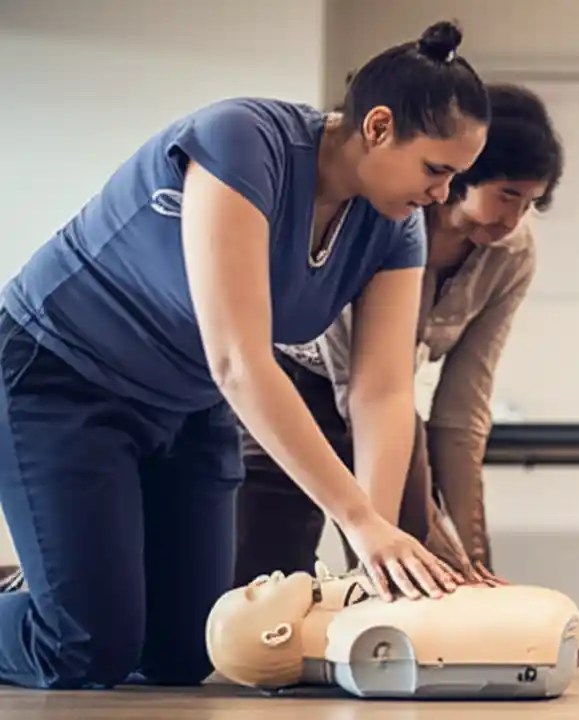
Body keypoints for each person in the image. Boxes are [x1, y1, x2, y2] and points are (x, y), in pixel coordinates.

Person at [0, 22, 489, 690]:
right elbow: (237, 358)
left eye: (456, 177)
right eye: (437, 170)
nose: (443, 195)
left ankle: (60, 580)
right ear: (378, 127)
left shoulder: (394, 226)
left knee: (185, 651)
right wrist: (357, 518)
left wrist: (365, 555)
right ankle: (54, 595)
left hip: (185, 405)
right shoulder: (244, 142)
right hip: (59, 377)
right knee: (83, 649)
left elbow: (381, 391)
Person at [233, 83, 563, 587]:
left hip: (387, 397)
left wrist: (469, 550)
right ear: (461, 176)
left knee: (439, 574)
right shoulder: (390, 218)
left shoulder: (513, 253)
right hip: (296, 381)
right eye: (507, 196)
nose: (514, 219)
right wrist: (406, 529)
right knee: (269, 565)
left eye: (532, 203)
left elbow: (462, 404)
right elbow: (356, 386)